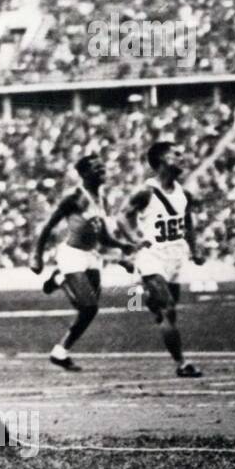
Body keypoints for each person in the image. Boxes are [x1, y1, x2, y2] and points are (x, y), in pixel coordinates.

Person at [29, 154, 138, 371]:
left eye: (102, 167)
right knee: (89, 307)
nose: (102, 170)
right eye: (97, 168)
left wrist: (122, 247)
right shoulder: (75, 198)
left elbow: (103, 236)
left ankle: (60, 353)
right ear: (84, 173)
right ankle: (60, 278)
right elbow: (49, 226)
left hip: (91, 256)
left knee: (88, 310)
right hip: (72, 255)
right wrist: (37, 255)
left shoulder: (102, 200)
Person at [118, 141, 205, 377]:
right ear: (162, 160)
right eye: (176, 154)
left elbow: (187, 223)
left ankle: (147, 296)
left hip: (176, 256)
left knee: (166, 311)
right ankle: (182, 364)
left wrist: (195, 250)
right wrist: (134, 240)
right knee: (168, 310)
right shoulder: (146, 191)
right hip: (152, 255)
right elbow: (122, 217)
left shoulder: (183, 193)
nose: (182, 157)